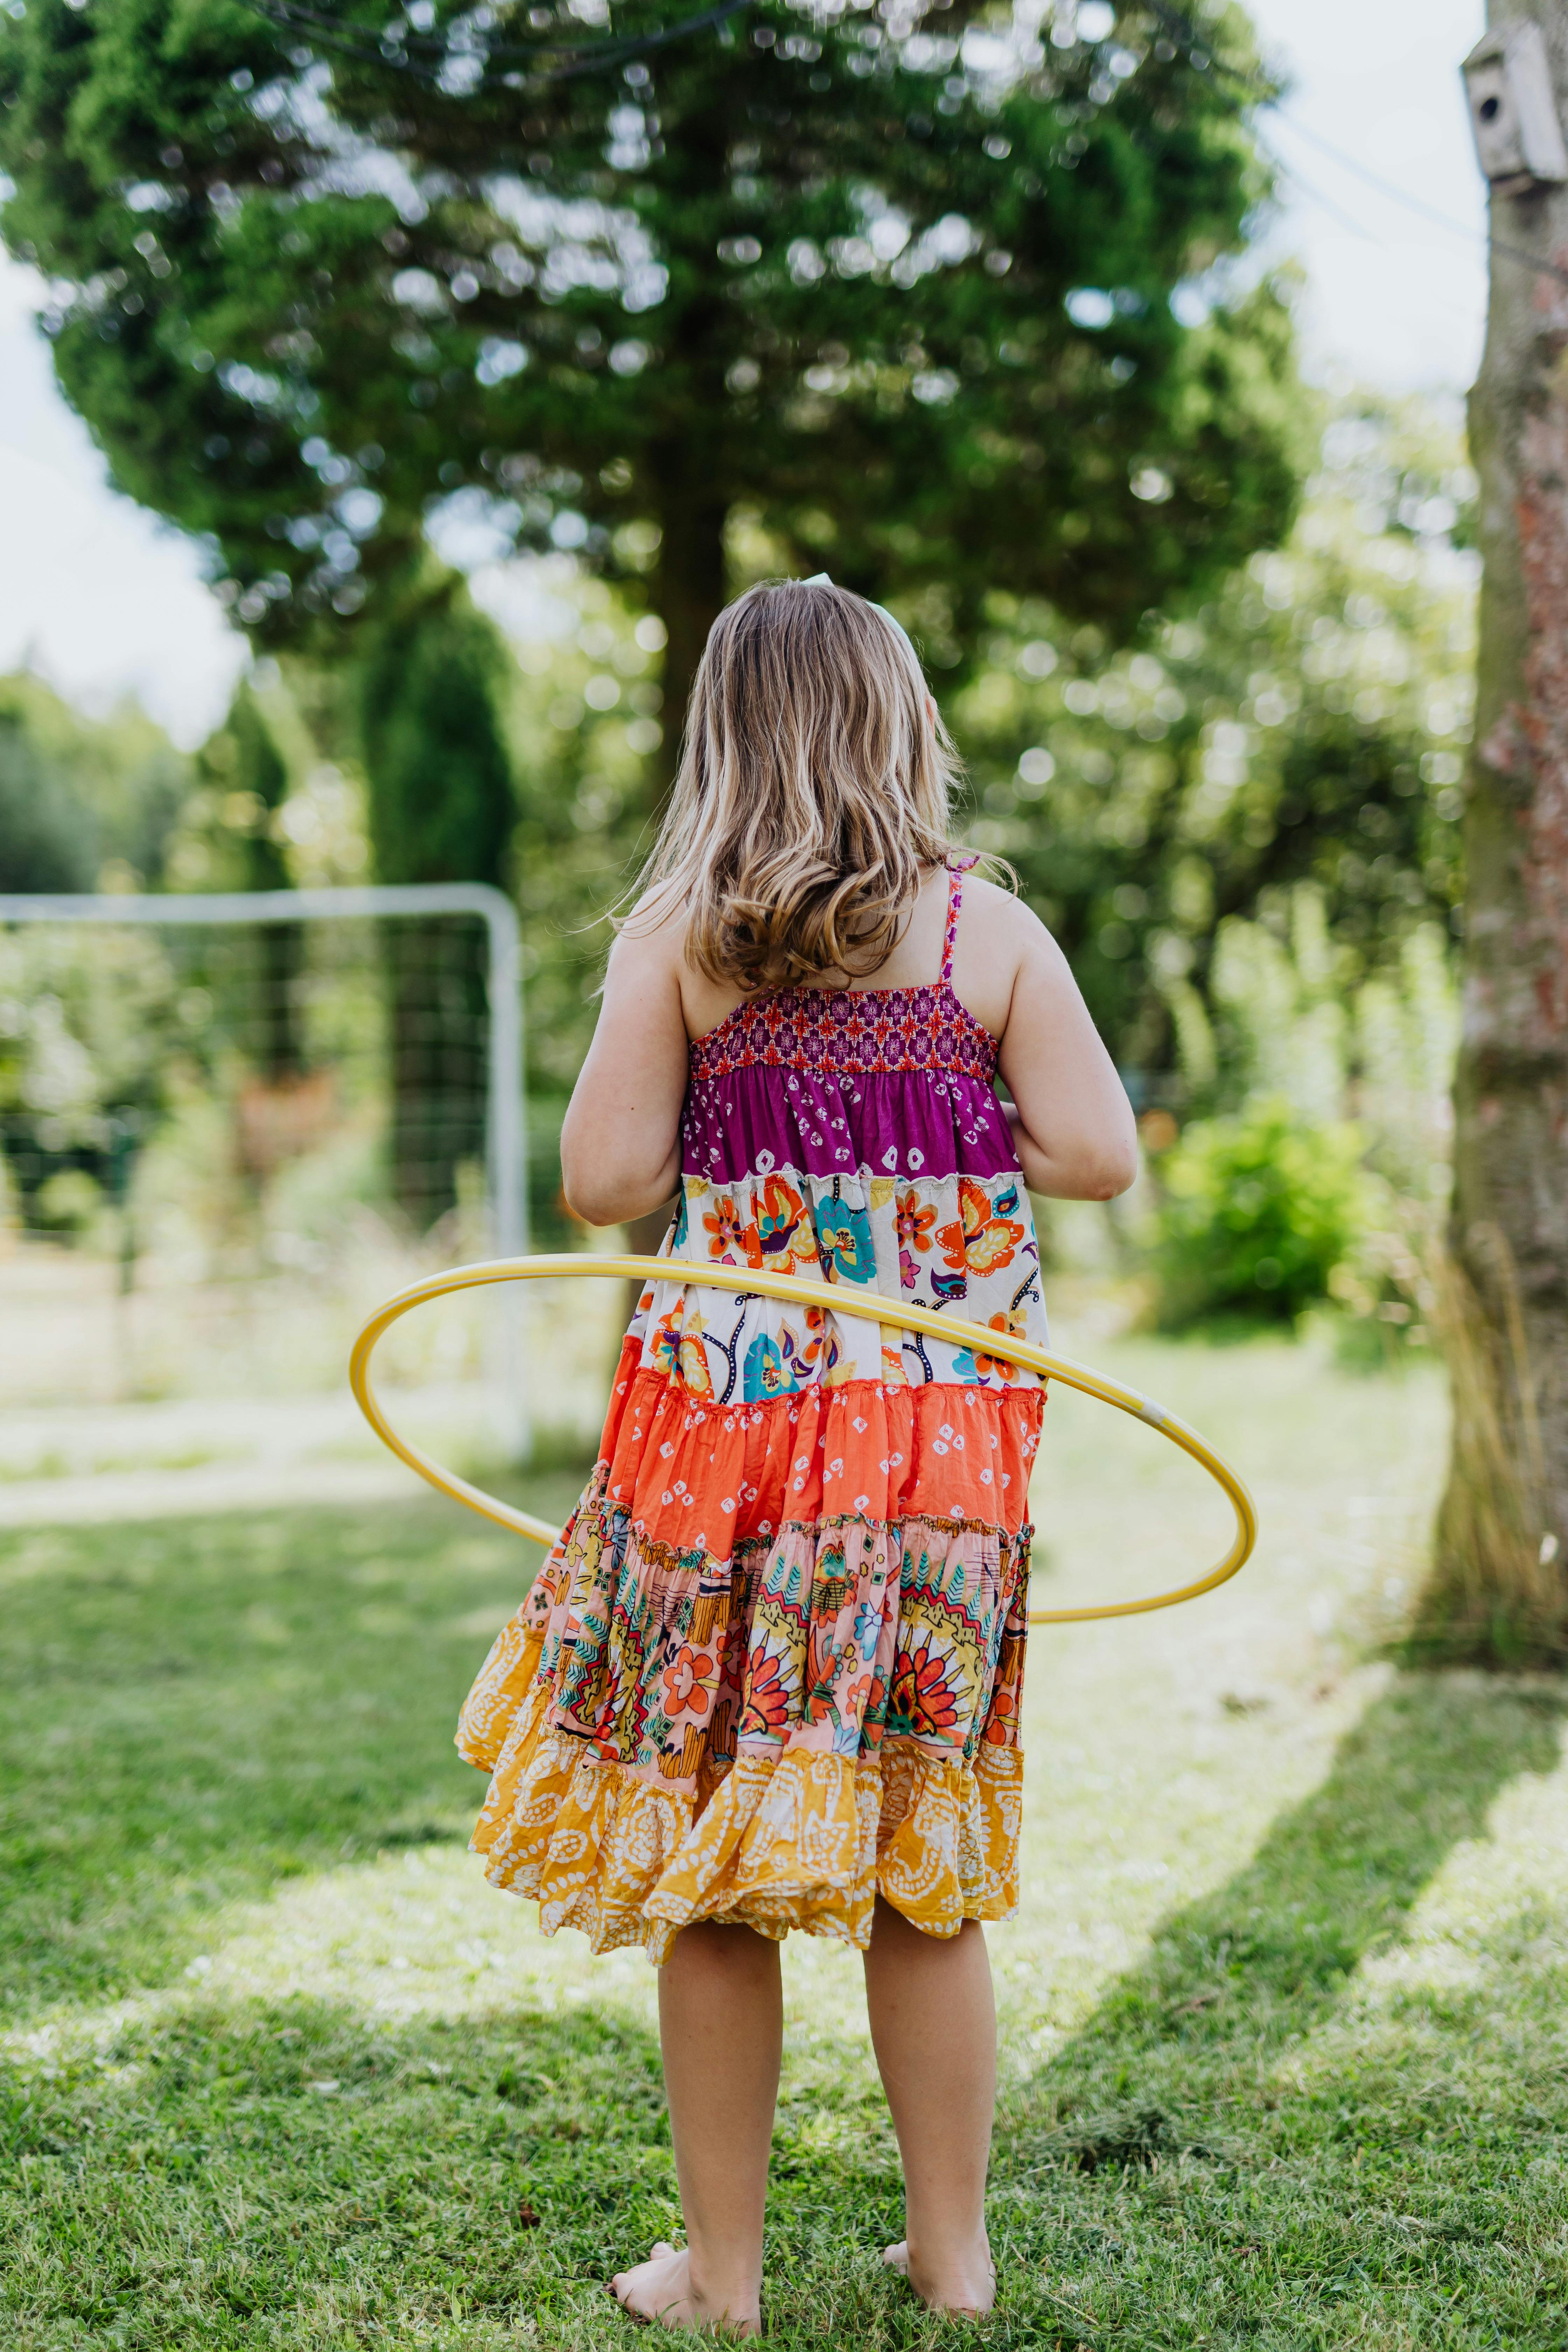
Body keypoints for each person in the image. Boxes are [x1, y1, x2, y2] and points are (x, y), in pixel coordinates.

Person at [456, 578, 1138, 2334]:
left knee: (717, 1866)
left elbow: (607, 1190)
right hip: (937, 1453)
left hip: (730, 1451)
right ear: (901, 727)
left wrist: (732, 1079)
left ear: (723, 740)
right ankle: (952, 2257)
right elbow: (1096, 1151)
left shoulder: (681, 939)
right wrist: (923, 1128)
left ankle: (727, 2277)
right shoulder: (983, 934)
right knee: (921, 1856)